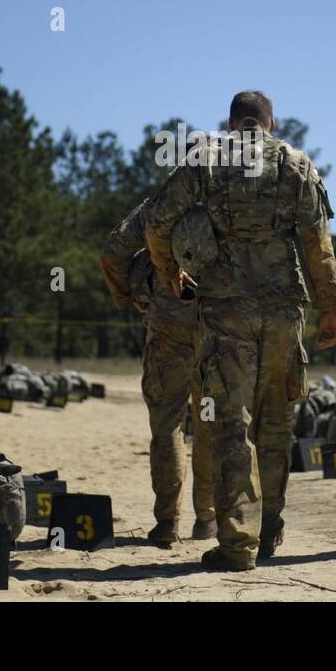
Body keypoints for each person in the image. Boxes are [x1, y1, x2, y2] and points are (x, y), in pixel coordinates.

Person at [145, 91, 336, 571]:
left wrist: (169, 269)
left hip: (226, 309)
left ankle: (237, 540)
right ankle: (270, 529)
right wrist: (331, 306)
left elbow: (157, 220)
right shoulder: (296, 163)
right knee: (275, 421)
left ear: (233, 122)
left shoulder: (207, 157)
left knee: (230, 425)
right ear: (270, 123)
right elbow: (317, 243)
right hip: (283, 310)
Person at [99, 198, 215, 544]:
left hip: (167, 325)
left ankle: (168, 521)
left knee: (168, 424)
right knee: (212, 424)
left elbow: (112, 252)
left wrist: (127, 295)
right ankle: (207, 518)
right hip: (219, 326)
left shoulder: (160, 206)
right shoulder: (229, 203)